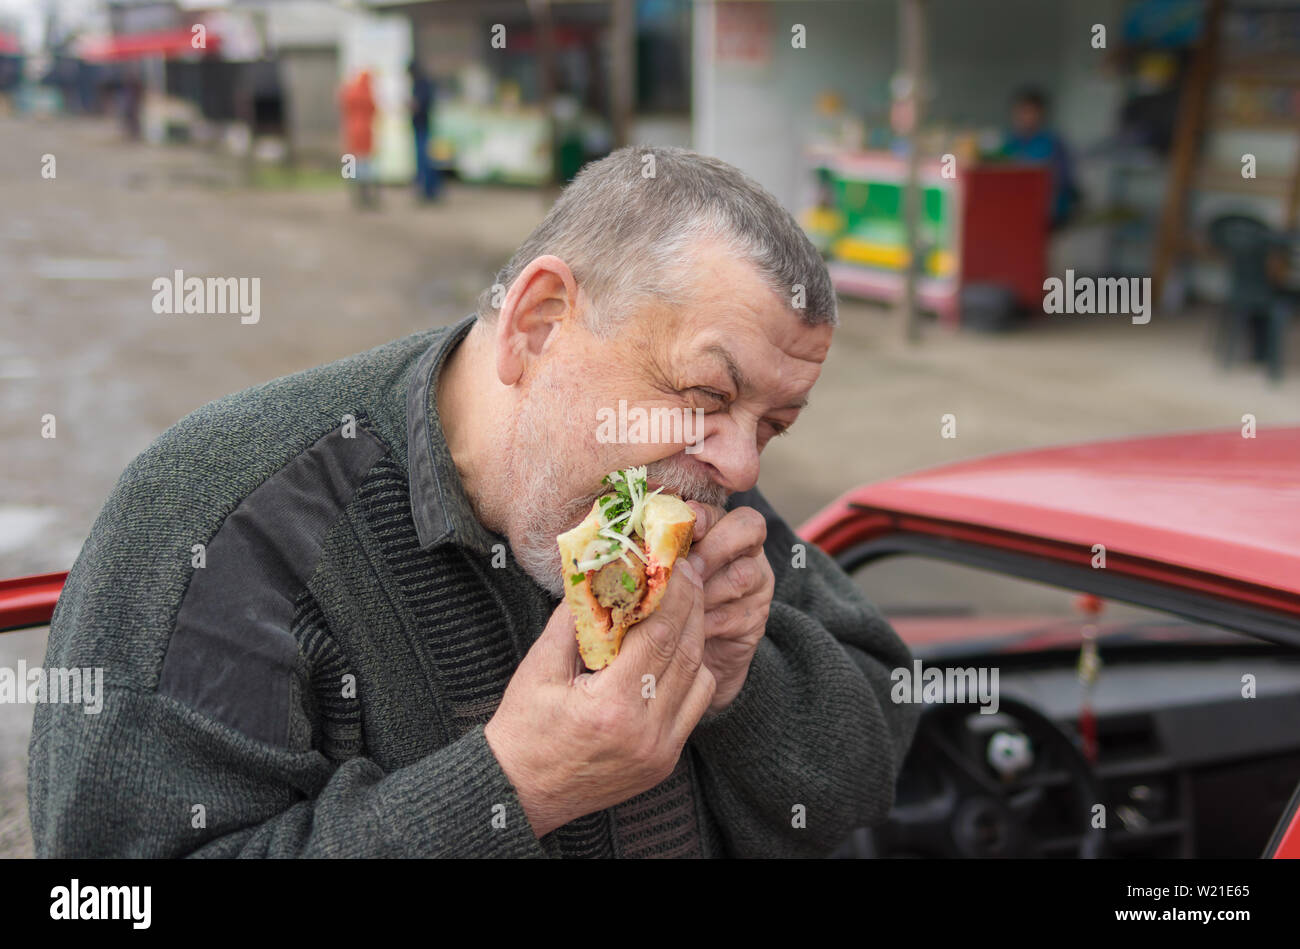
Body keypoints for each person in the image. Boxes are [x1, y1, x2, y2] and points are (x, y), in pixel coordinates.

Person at [29, 146, 918, 858]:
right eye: (706, 394)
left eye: (774, 424)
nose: (734, 462)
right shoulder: (218, 521)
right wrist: (516, 785)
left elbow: (869, 764)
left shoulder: (693, 482)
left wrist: (738, 680)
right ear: (538, 322)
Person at [1002, 87, 1081, 230]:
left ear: (1041, 113)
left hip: (1047, 212)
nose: (1025, 116)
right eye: (1022, 111)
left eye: (1030, 111)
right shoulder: (1008, 141)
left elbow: (1063, 181)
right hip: (1015, 209)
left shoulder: (1053, 143)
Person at [338, 70, 378, 208]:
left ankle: (352, 190)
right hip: (365, 131)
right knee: (364, 163)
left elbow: (342, 104)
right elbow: (374, 109)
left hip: (351, 130)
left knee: (350, 160)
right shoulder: (367, 92)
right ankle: (365, 193)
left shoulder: (350, 91)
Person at [408, 60, 440, 202]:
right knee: (426, 160)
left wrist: (411, 105)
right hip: (422, 126)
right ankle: (429, 190)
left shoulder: (421, 84)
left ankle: (429, 191)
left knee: (425, 161)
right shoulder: (424, 83)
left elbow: (418, 104)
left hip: (423, 126)